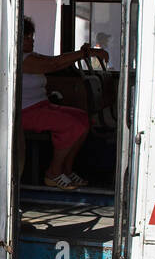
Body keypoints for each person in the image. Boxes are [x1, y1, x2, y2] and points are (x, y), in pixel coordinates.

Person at [19, 16, 107, 190]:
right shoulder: (22, 60)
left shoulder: (31, 56)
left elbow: (56, 60)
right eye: (26, 37)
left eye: (31, 36)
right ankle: (53, 172)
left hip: (40, 105)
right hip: (24, 112)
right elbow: (54, 64)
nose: (32, 40)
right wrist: (85, 54)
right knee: (70, 124)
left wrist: (81, 54)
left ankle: (66, 170)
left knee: (82, 118)